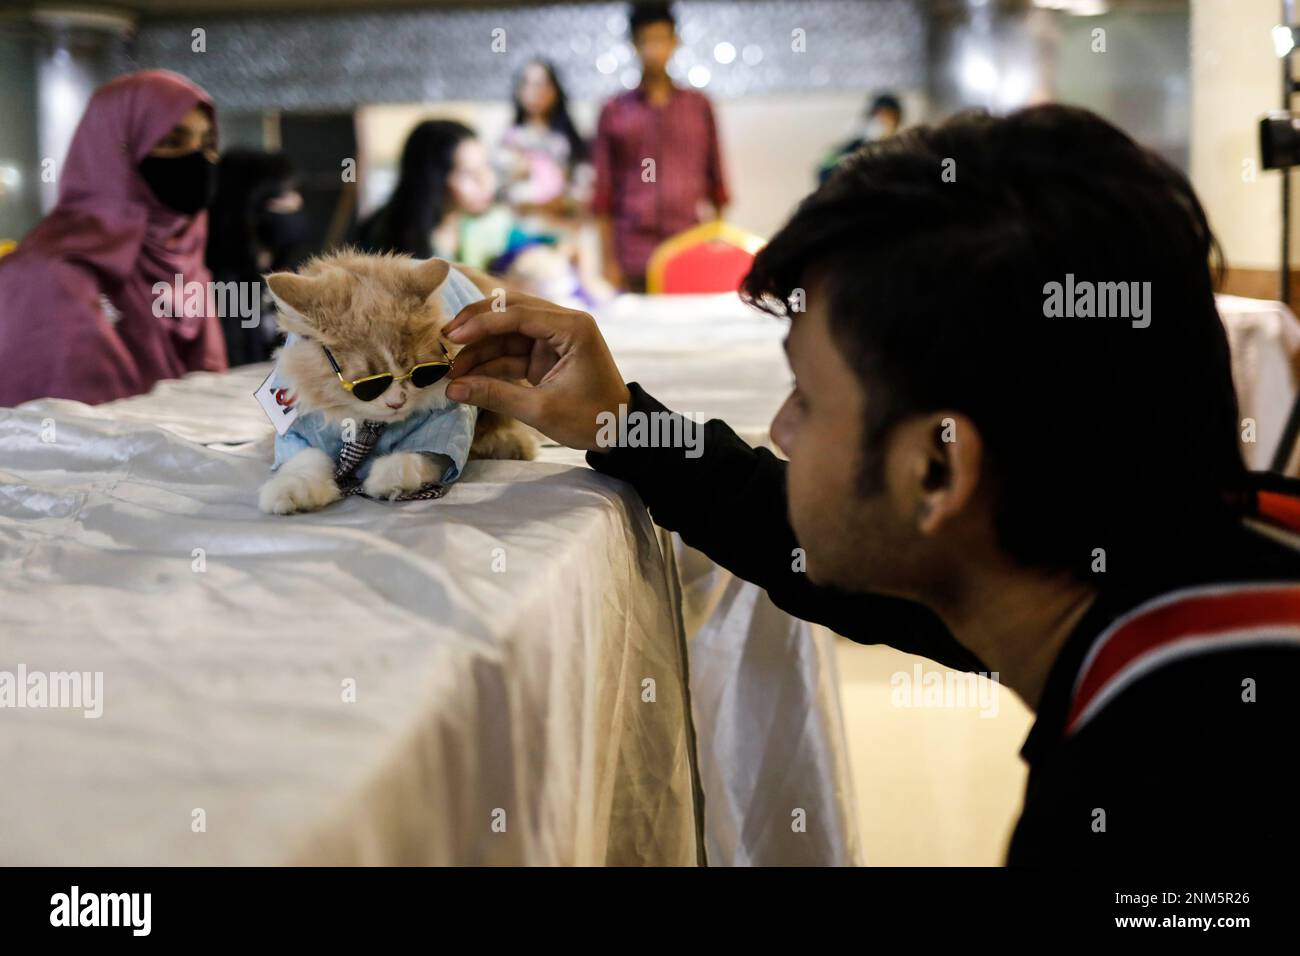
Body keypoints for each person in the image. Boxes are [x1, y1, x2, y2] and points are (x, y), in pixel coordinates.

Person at [440, 104, 1300, 866]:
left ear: (936, 469)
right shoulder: (1179, 560)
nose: (779, 431)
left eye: (806, 399)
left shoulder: (1163, 807)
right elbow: (818, 545)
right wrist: (622, 424)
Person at [0, 70, 227, 406]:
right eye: (172, 141)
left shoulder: (184, 264)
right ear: (114, 154)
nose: (198, 160)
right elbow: (77, 437)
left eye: (207, 144)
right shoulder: (50, 277)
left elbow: (213, 404)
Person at [591, 2, 729, 292]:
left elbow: (718, 182)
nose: (654, 50)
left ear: (674, 41)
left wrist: (717, 243)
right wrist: (607, 260)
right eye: (645, 41)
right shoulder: (614, 110)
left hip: (688, 244)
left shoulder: (698, 107)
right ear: (633, 45)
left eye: (660, 39)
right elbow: (602, 193)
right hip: (631, 251)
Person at [356, 120, 510, 271]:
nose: (486, 181)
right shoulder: (387, 247)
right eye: (468, 173)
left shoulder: (489, 222)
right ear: (433, 179)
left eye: (486, 166)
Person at [206, 149, 310, 366]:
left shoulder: (291, 278)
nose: (296, 202)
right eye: (281, 196)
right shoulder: (219, 287)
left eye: (295, 192)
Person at [498, 59, 593, 222]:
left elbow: (583, 184)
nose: (534, 91)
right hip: (524, 225)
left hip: (563, 222)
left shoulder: (568, 140)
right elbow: (502, 190)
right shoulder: (511, 138)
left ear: (554, 90)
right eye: (527, 84)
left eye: (541, 84)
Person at [817, 92, 904, 185]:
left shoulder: (901, 149)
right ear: (871, 117)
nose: (884, 121)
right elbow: (824, 170)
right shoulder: (856, 146)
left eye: (889, 117)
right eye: (880, 115)